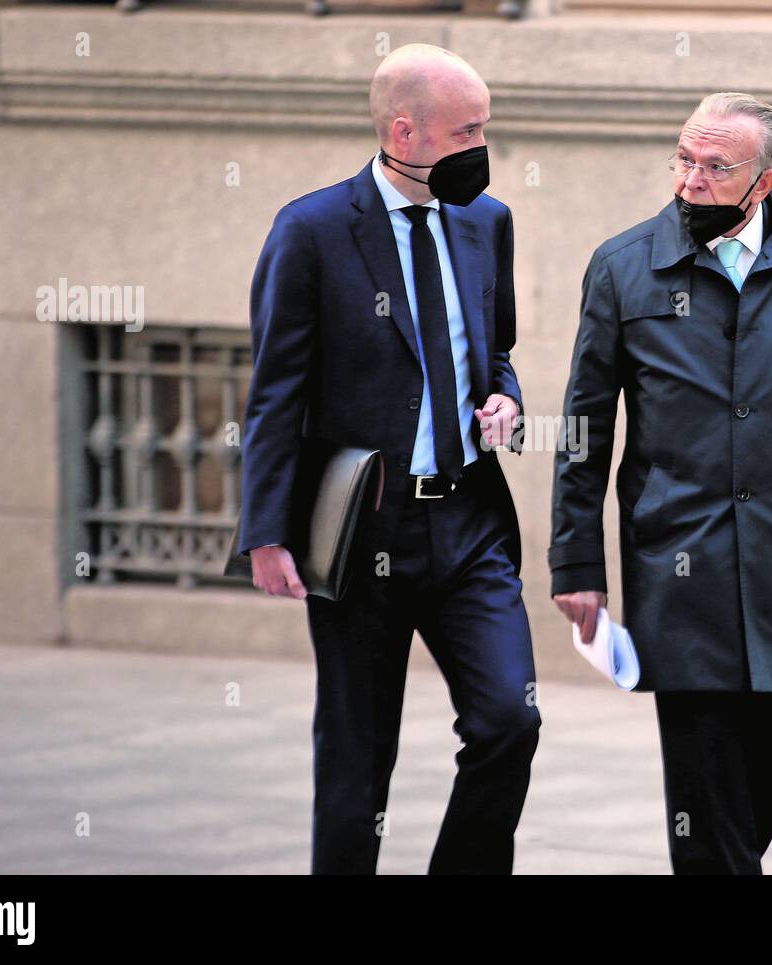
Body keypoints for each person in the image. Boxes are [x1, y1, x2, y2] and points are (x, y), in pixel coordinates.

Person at [549, 92, 772, 874]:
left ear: (764, 182)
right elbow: (584, 428)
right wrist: (577, 564)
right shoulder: (623, 265)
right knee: (705, 794)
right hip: (680, 564)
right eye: (683, 158)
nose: (689, 180)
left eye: (714, 166)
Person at [237, 43, 539, 875]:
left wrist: (506, 399)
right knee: (358, 755)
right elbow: (275, 391)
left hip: (471, 522)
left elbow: (496, 350)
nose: (482, 146)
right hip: (363, 526)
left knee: (510, 720)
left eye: (485, 127)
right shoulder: (312, 230)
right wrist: (266, 530)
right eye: (466, 131)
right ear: (404, 132)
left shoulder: (486, 221)